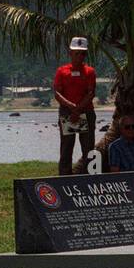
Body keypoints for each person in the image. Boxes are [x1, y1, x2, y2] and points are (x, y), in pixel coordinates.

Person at [54, 37, 97, 175]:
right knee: (66, 147)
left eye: (83, 53)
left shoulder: (90, 71)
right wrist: (71, 107)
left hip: (85, 111)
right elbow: (57, 93)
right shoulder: (62, 71)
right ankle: (65, 178)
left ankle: (90, 177)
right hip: (68, 112)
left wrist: (77, 110)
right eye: (77, 53)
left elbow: (91, 93)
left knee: (88, 148)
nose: (79, 56)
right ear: (70, 53)